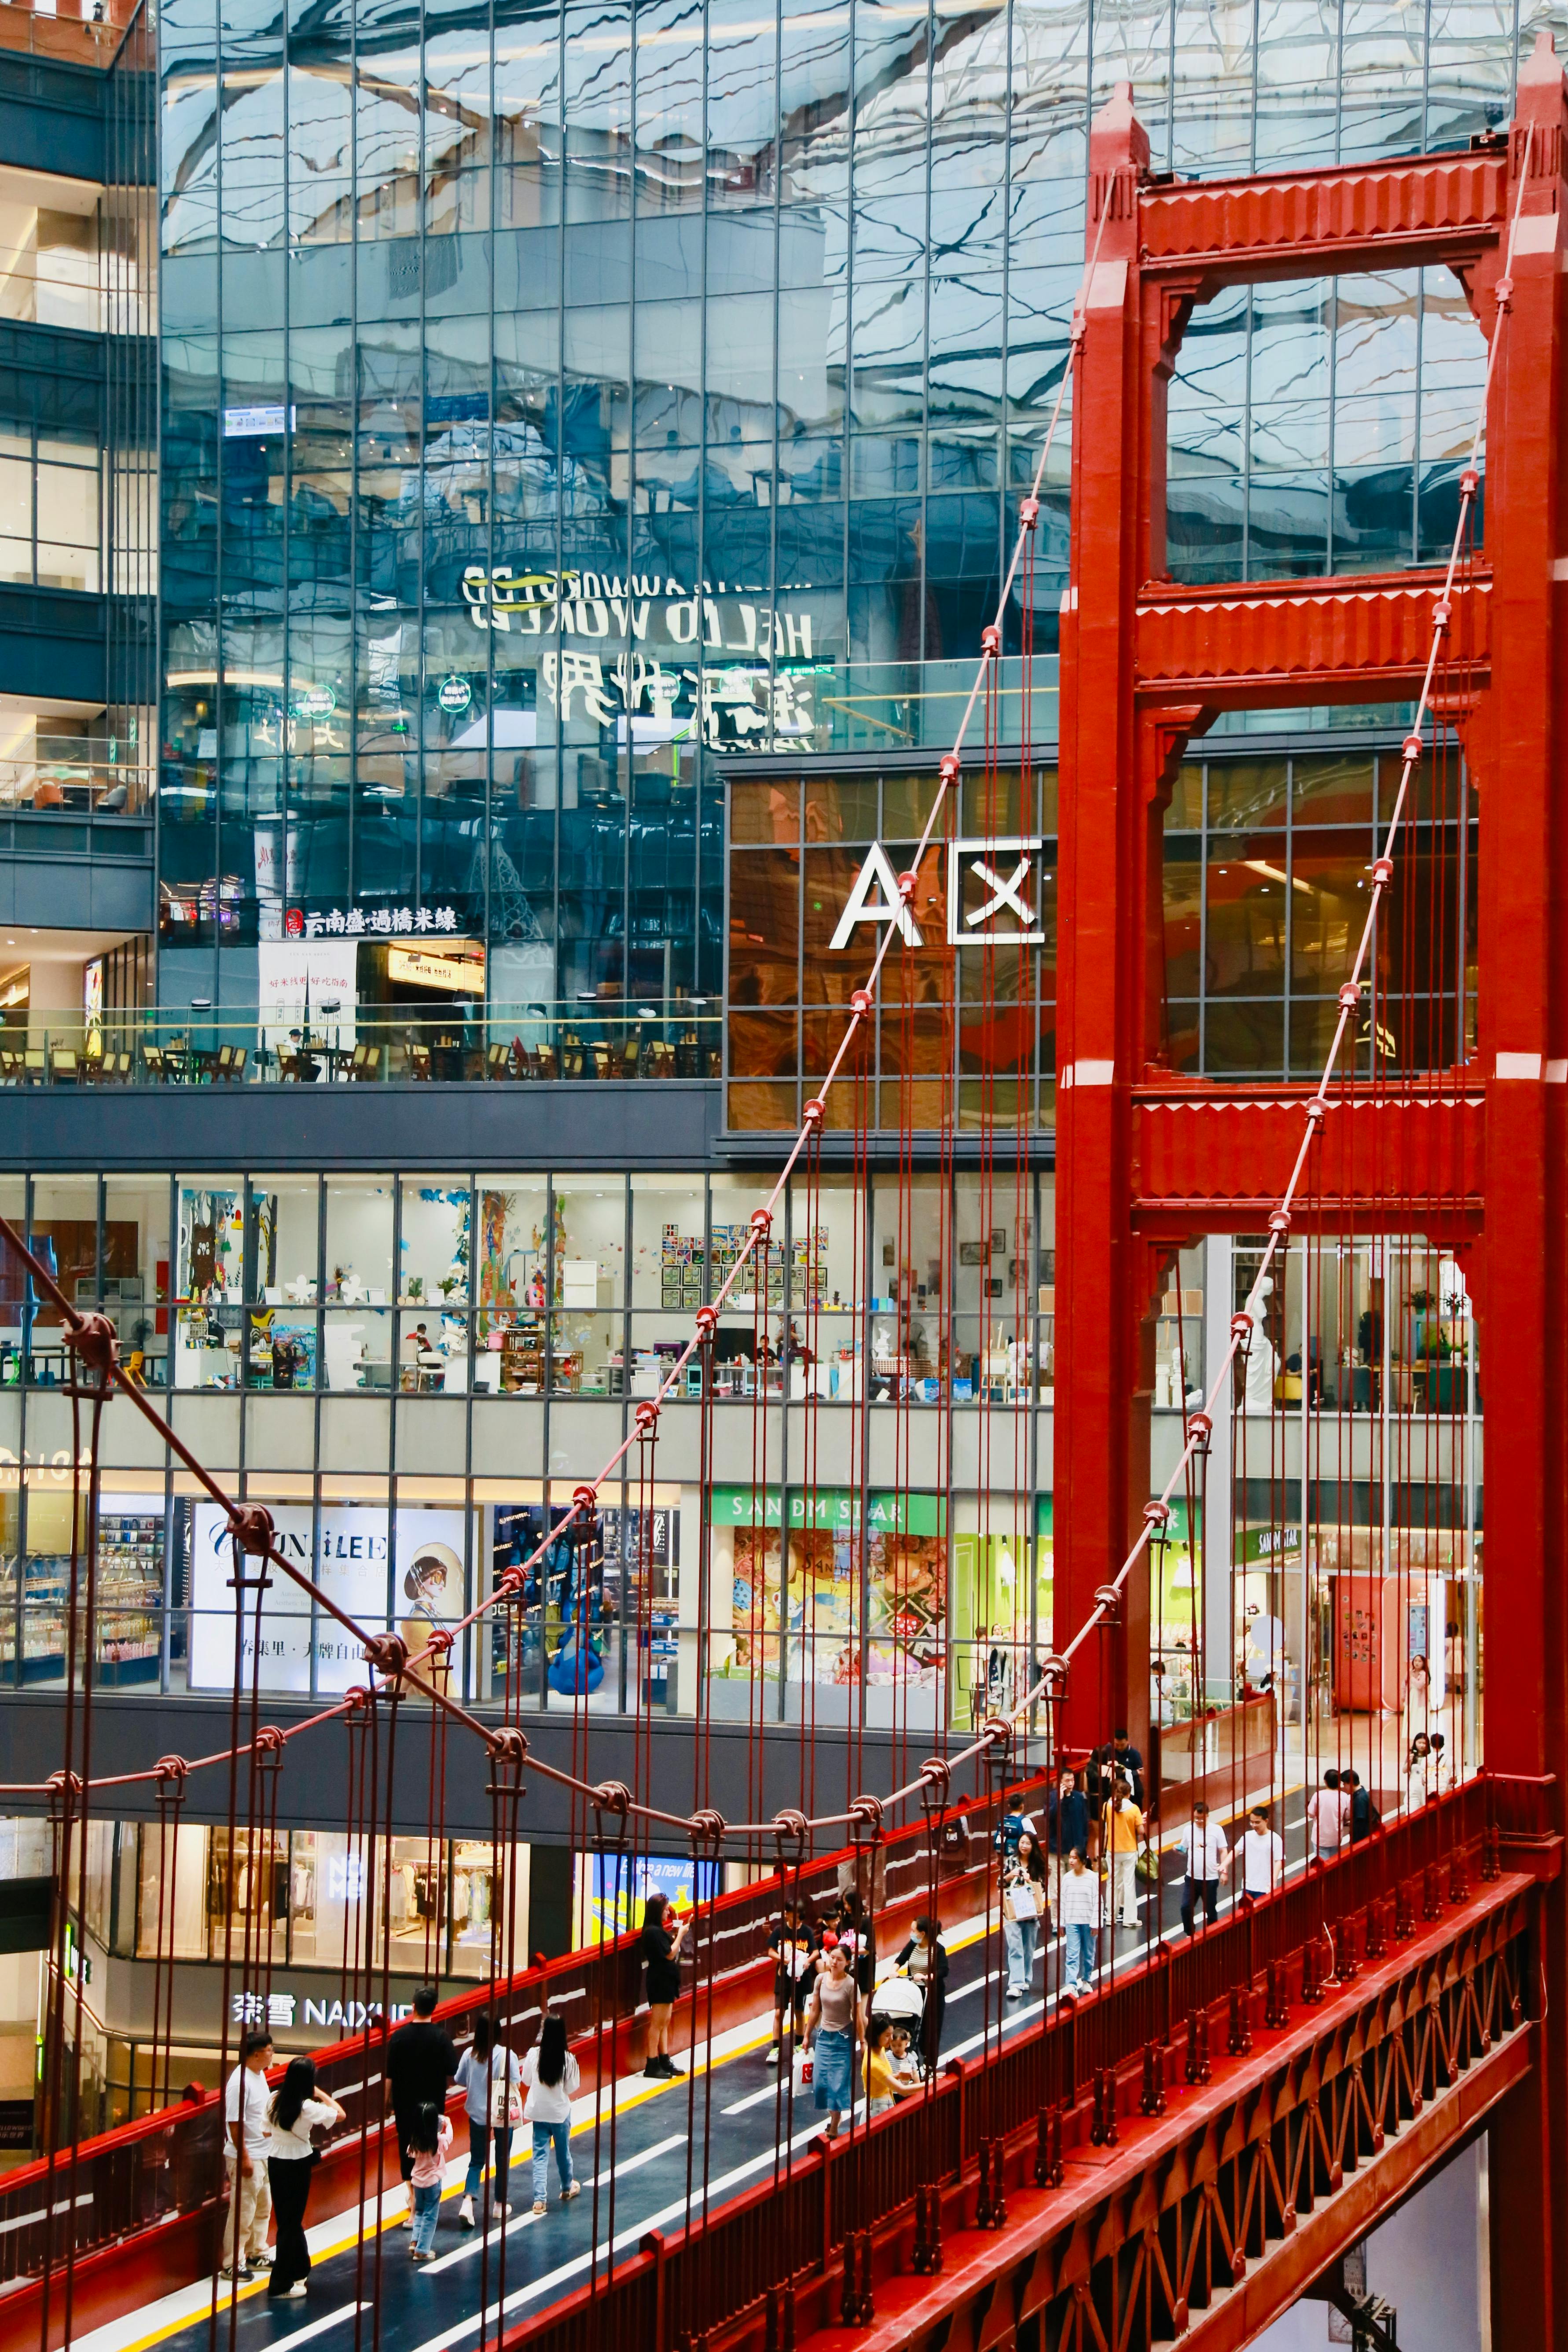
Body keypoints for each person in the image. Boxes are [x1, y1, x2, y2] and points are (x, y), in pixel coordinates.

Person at [265, 2058, 345, 2300]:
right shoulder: (308, 2107)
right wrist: (320, 2094)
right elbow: (341, 2115)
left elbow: (265, 2130)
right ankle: (280, 2284)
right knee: (291, 2223)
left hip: (276, 2160)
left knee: (287, 2220)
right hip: (298, 2164)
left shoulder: (274, 2099)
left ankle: (300, 2268)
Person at [388, 1987, 459, 2221]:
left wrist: (388, 2103)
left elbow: (390, 2075)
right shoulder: (441, 2037)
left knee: (407, 2149)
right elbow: (452, 2069)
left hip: (405, 2105)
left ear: (413, 2006)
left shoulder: (398, 2037)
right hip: (432, 2106)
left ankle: (413, 2198)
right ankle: (425, 2199)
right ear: (434, 2008)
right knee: (430, 2150)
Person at [455, 2011, 521, 2228]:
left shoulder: (469, 2054)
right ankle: (499, 2205)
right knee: (502, 2158)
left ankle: (467, 2202)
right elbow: (516, 2082)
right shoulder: (507, 2055)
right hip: (501, 2115)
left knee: (476, 2161)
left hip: (477, 2114)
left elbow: (459, 2079)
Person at [221, 2029, 275, 2279]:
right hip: (248, 2155)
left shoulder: (259, 2075)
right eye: (270, 2050)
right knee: (243, 2212)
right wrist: (244, 2158)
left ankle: (257, 2252)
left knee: (263, 2207)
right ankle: (233, 2261)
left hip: (263, 2153)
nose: (272, 2054)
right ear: (256, 2054)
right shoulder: (239, 2083)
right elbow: (235, 2123)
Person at [521, 2014, 581, 2215]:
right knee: (563, 2153)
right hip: (559, 2114)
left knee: (540, 2155)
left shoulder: (534, 2055)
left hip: (538, 2113)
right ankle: (567, 2187)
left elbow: (526, 2080)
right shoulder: (568, 2059)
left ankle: (539, 2200)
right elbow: (572, 2087)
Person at [804, 1943, 863, 2139]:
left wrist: (862, 2042)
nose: (835, 1962)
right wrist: (807, 2035)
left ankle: (835, 2123)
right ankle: (834, 2115)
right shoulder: (820, 1979)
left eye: (839, 1959)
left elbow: (858, 2016)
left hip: (843, 2039)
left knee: (837, 2086)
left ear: (848, 1963)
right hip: (823, 2037)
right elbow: (815, 2010)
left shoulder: (851, 1985)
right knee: (820, 2084)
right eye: (832, 1957)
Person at [638, 1892, 690, 2078]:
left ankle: (664, 2059)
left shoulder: (658, 1931)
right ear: (658, 1910)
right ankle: (652, 2063)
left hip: (666, 1979)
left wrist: (676, 1931)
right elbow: (669, 1954)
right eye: (666, 1909)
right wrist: (681, 1934)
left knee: (665, 2022)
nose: (668, 1912)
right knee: (657, 2023)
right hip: (659, 1980)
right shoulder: (652, 1932)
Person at [892, 1916, 950, 2067]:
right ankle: (910, 2058)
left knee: (930, 2029)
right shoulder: (913, 1944)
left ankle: (930, 2063)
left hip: (931, 1995)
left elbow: (943, 1970)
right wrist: (894, 1970)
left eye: (913, 1930)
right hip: (913, 1993)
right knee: (909, 2026)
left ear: (922, 1934)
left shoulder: (938, 1950)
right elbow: (901, 1959)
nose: (911, 1933)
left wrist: (926, 1977)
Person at [767, 1898, 819, 2063]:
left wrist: (807, 1962)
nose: (797, 1919)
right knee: (779, 2012)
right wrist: (784, 1960)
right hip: (783, 1977)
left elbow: (816, 1952)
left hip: (801, 1978)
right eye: (793, 1915)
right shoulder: (780, 1931)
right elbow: (771, 1952)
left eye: (799, 1916)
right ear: (787, 1914)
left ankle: (798, 2045)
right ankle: (776, 2048)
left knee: (799, 2011)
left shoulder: (807, 1931)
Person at [1001, 1828, 1048, 1999]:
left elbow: (1042, 1887)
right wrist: (1009, 1876)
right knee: (1015, 1948)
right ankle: (1016, 1984)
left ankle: (1026, 1978)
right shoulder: (1011, 1861)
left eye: (1028, 1843)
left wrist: (1030, 1880)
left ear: (1033, 1846)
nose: (1024, 1846)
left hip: (1030, 1913)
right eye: (1022, 1842)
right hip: (1012, 1912)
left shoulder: (1038, 1865)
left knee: (1028, 1949)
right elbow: (1000, 1883)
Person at [406, 2100, 453, 2262]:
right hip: (433, 2183)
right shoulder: (438, 2140)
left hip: (417, 2182)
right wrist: (448, 2123)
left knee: (419, 2212)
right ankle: (422, 2250)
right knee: (430, 2216)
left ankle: (415, 2241)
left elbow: (409, 2153)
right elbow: (449, 2137)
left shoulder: (415, 2142)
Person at [1100, 1774, 1144, 1931]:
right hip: (1129, 1851)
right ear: (1129, 1794)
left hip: (1112, 1850)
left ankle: (1110, 1917)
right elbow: (1141, 1831)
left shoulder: (1107, 1806)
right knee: (1129, 1884)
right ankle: (1130, 1919)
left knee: (1112, 1883)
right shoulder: (1134, 1809)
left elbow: (1106, 1829)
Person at [1179, 1801, 1228, 1935]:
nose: (1199, 1822)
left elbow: (1223, 1851)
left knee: (1210, 1910)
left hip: (1210, 1879)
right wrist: (1179, 1849)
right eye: (1196, 1819)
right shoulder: (1188, 1830)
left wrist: (1224, 1871)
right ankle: (1190, 1933)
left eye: (1202, 1819)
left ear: (1207, 1816)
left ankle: (1212, 1934)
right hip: (1192, 1878)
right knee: (1186, 1908)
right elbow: (1184, 1848)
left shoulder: (1217, 1830)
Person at [1044, 1766, 1090, 1902]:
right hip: (1055, 1850)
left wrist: (1083, 1844)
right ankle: (1057, 1915)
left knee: (1074, 1889)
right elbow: (1050, 1817)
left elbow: (1084, 1821)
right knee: (1057, 1892)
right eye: (1067, 1780)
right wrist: (1059, 1800)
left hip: (1074, 1851)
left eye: (1072, 1780)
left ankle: (1072, 1914)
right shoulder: (1052, 1797)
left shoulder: (1079, 1797)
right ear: (1060, 1782)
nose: (1071, 1783)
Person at [1058, 1849, 1099, 1994]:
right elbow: (1063, 1901)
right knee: (1072, 1954)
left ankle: (1087, 1980)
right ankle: (1071, 1984)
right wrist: (1062, 1923)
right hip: (1072, 1921)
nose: (1071, 1861)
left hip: (1088, 1922)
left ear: (1082, 1861)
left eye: (1074, 1858)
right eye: (1070, 1857)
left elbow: (1097, 1901)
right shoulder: (1067, 1878)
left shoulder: (1093, 1878)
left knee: (1089, 1953)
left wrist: (1096, 1923)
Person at [1223, 1805, 1285, 1900]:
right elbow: (1236, 1851)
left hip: (1265, 1888)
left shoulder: (1275, 1839)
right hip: (1248, 1887)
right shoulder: (1248, 1836)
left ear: (1266, 1821)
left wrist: (1273, 1881)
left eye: (1257, 1822)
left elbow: (1279, 1861)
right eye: (1252, 1822)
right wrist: (1224, 1864)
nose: (1254, 1825)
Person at [864, 2017, 918, 2118]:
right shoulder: (875, 2062)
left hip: (881, 2104)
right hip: (880, 2107)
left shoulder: (880, 2050)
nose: (891, 2039)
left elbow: (883, 2079)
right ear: (877, 2036)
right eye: (887, 2035)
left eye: (891, 2035)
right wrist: (930, 2083)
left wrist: (899, 2076)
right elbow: (903, 2090)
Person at [1093, 1728, 1145, 1809]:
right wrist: (1109, 1764)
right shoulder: (1108, 1748)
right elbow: (1097, 1758)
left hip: (1133, 1788)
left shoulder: (1135, 1753)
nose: (1120, 1747)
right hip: (1115, 1788)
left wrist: (1127, 1771)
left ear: (1127, 1741)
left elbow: (1141, 1772)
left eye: (1122, 1745)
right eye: (1117, 1745)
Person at [1307, 1768, 1351, 1859]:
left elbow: (1311, 1814)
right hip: (1336, 1837)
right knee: (1334, 1861)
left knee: (1322, 1862)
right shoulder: (1344, 1797)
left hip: (1320, 1837)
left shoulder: (1318, 1795)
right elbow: (1348, 1816)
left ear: (1325, 1781)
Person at [1344, 1769, 1380, 1843]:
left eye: (1344, 1784)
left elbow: (1360, 1823)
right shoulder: (1362, 1793)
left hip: (1362, 1839)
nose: (1344, 1787)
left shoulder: (1360, 1799)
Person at [1406, 1734, 1432, 1809]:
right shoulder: (1411, 1755)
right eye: (1419, 1743)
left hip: (1425, 1788)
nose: (1422, 1745)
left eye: (1424, 1743)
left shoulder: (1430, 1757)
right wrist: (1409, 1762)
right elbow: (1404, 1770)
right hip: (1413, 1787)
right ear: (1415, 1742)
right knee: (1412, 1809)